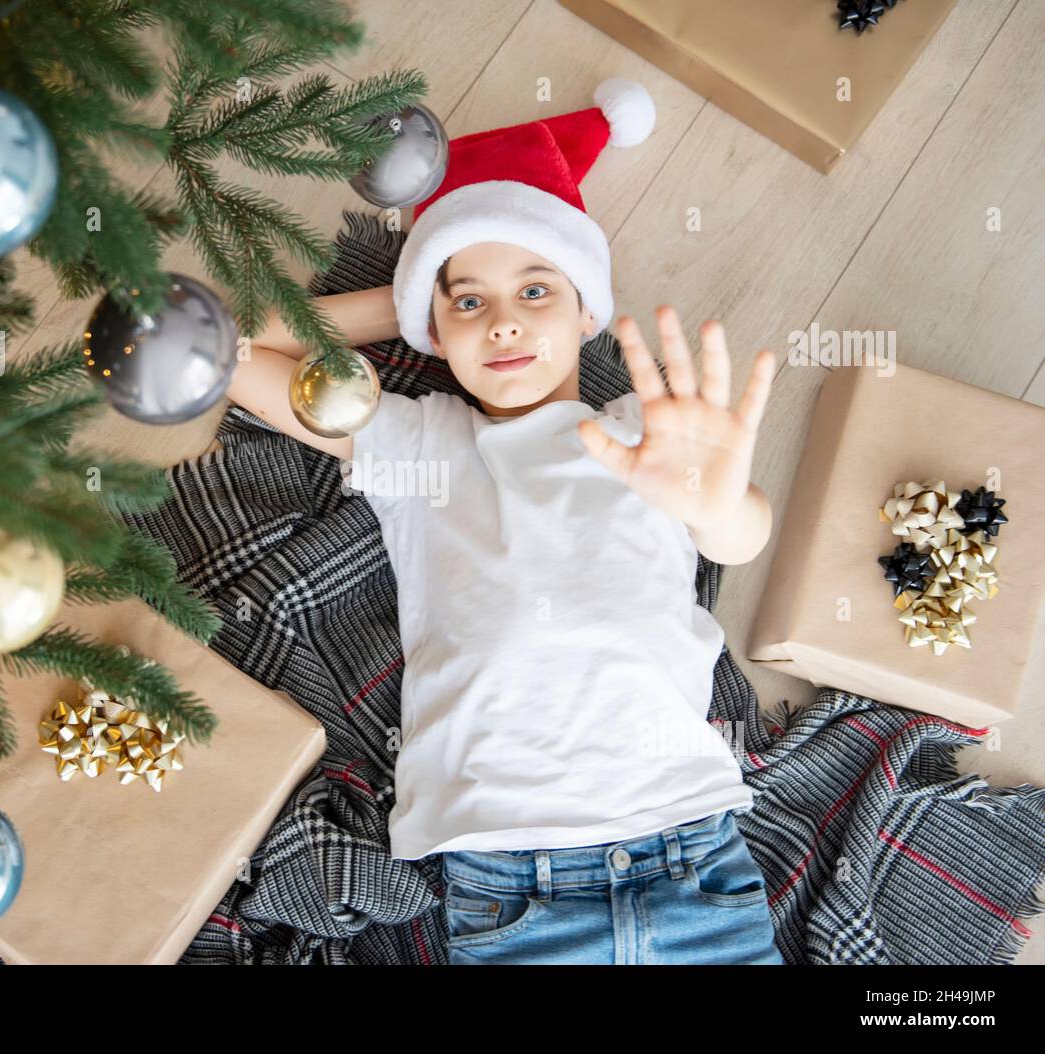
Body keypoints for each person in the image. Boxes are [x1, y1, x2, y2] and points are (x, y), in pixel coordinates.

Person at [225, 78, 783, 965]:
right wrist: (406, 302)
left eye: (535, 289)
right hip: (516, 893)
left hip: (694, 860)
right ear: (435, 332)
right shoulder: (416, 443)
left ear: (586, 310)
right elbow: (228, 347)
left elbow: (739, 534)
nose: (505, 324)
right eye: (469, 301)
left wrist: (718, 509)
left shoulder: (645, 434)